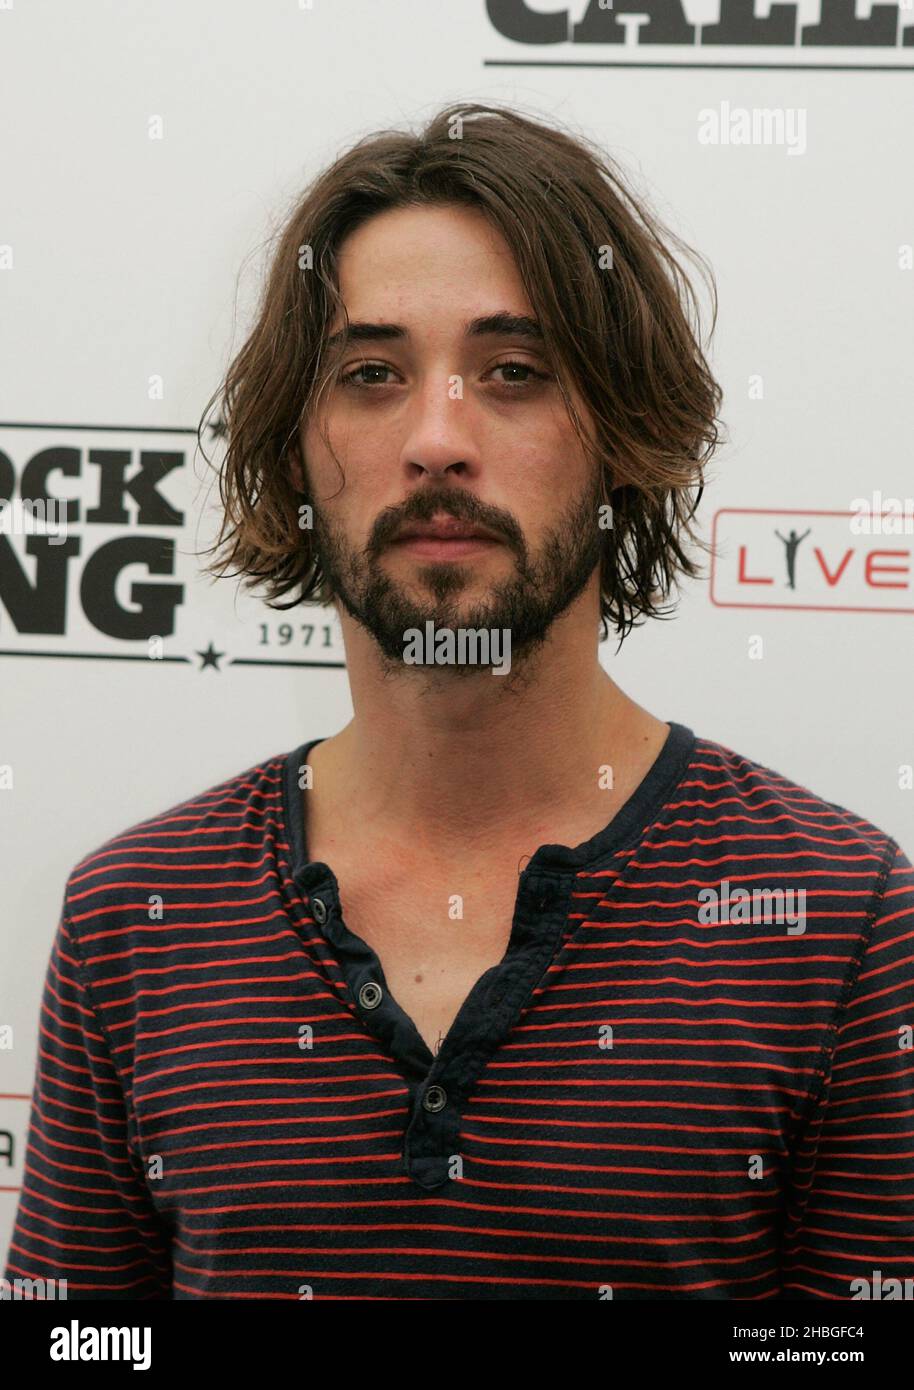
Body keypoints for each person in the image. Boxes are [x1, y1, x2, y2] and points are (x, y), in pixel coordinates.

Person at [5, 103, 912, 1301]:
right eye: (371, 375)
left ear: (621, 437)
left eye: (514, 373)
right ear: (296, 447)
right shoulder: (137, 916)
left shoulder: (835, 919)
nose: (437, 438)